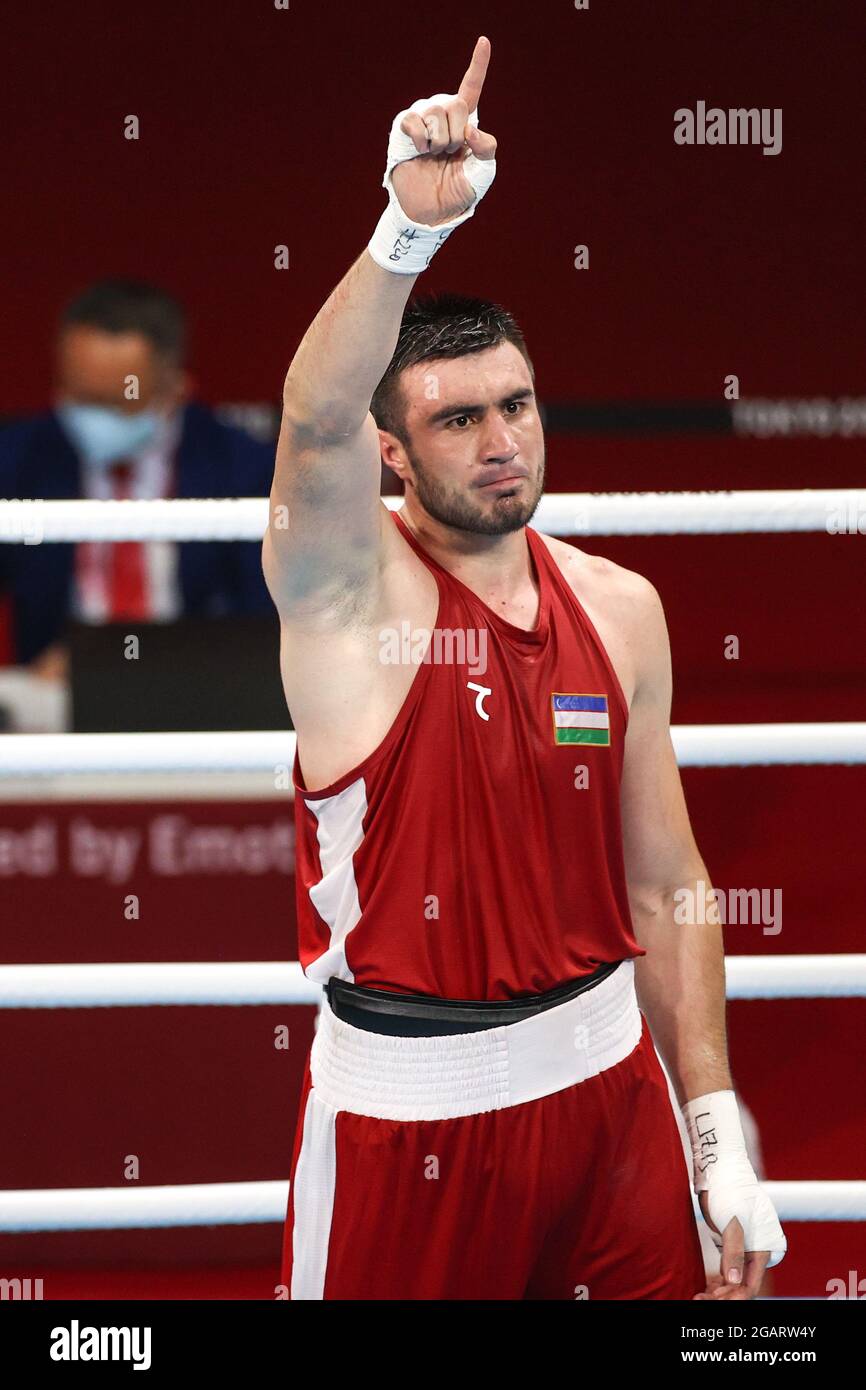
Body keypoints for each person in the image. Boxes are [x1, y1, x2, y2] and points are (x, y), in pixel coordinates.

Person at [263, 35, 786, 1300]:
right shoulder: (347, 596)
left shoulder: (620, 608)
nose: (501, 443)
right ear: (393, 453)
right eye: (455, 418)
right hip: (407, 1118)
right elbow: (313, 418)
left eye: (518, 405)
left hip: (609, 1098)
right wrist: (403, 230)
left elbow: (664, 884)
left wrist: (713, 1134)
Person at [0, 278, 274, 682]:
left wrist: (113, 664)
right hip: (53, 701)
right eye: (79, 398)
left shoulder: (245, 467)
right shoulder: (17, 460)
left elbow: (264, 617)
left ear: (177, 387)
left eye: (115, 403)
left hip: (201, 692)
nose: (92, 420)